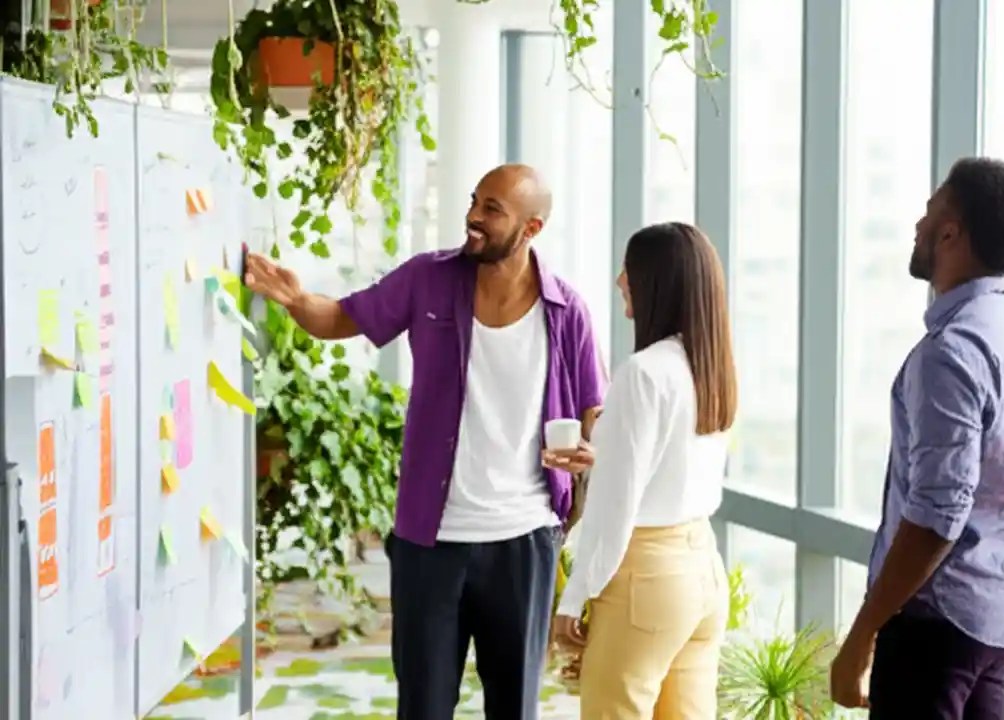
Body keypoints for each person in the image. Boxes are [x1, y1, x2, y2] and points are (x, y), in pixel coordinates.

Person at [243, 163, 607, 720]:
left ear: (531, 228)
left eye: (492, 209)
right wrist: (294, 299)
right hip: (430, 543)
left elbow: (594, 410)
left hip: (524, 541)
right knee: (423, 706)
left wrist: (591, 450)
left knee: (515, 709)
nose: (473, 217)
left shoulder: (566, 312)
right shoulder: (428, 279)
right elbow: (342, 318)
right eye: (474, 201)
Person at [830, 157, 1004, 720]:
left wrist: (861, 635)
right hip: (995, 619)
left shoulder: (949, 352)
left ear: (950, 232)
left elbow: (935, 516)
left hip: (936, 629)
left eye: (928, 214)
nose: (918, 226)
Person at [545, 222, 735, 719]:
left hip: (645, 576)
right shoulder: (711, 364)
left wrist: (573, 599)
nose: (618, 280)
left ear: (657, 280)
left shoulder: (644, 372)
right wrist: (602, 457)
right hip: (700, 570)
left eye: (629, 269)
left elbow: (615, 507)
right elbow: (673, 461)